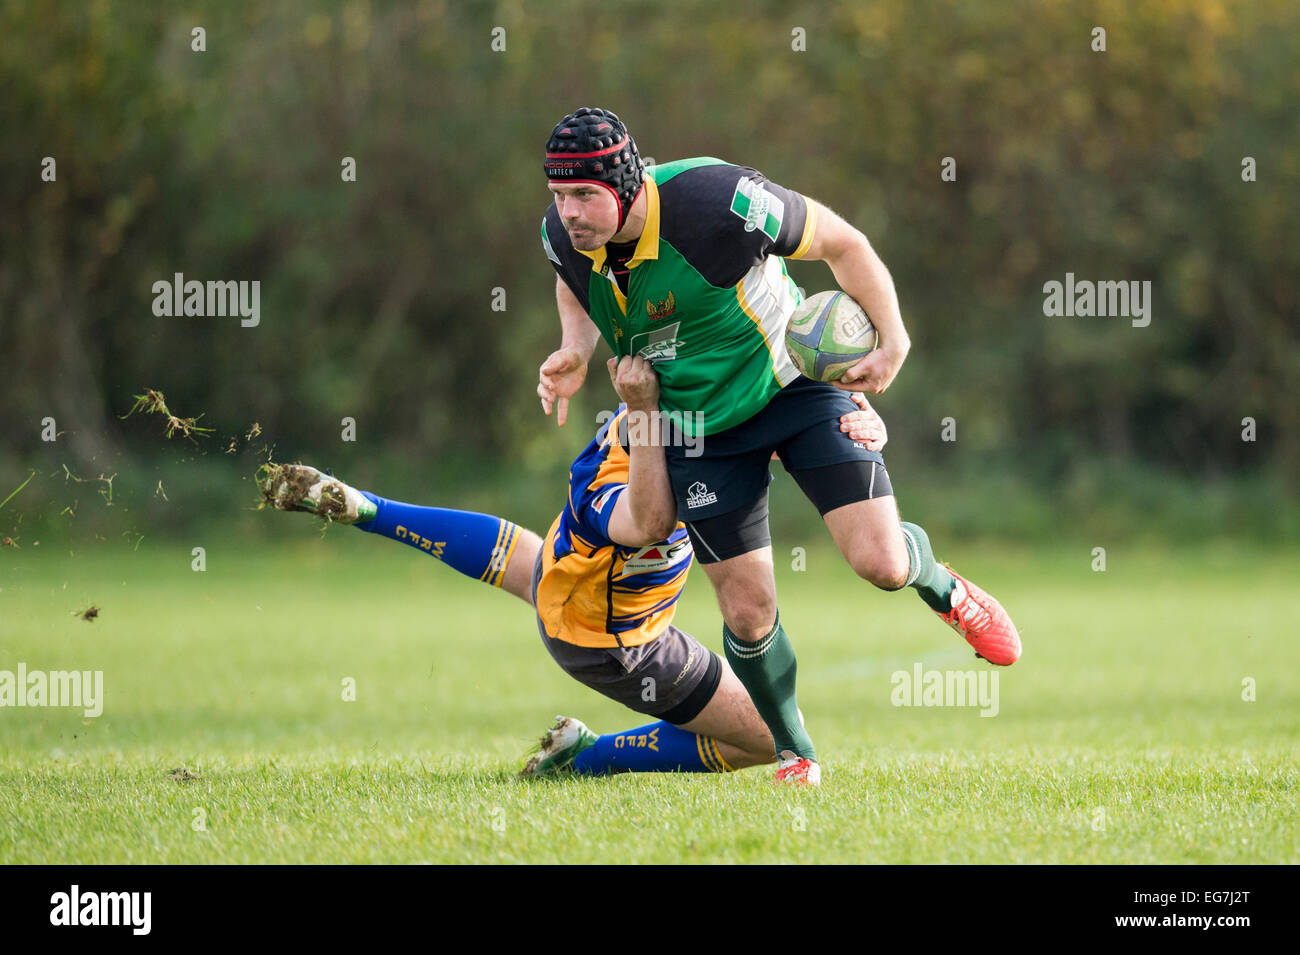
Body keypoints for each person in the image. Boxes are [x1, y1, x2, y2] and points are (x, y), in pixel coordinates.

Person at [536, 106, 1021, 786]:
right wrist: (573, 349)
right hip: (697, 428)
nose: (570, 213)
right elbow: (572, 280)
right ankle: (797, 752)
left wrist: (894, 340)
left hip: (790, 386)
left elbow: (845, 244)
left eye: (585, 195)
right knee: (746, 607)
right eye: (559, 196)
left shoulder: (718, 203)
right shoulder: (565, 233)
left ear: (628, 183)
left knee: (881, 563)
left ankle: (943, 586)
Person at [259, 355, 887, 776]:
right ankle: (586, 757)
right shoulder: (616, 476)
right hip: (617, 644)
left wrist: (845, 417)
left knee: (529, 562)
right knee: (766, 736)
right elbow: (649, 525)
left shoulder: (675, 421)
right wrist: (641, 409)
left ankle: (371, 509)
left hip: (569, 579)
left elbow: (763, 420)